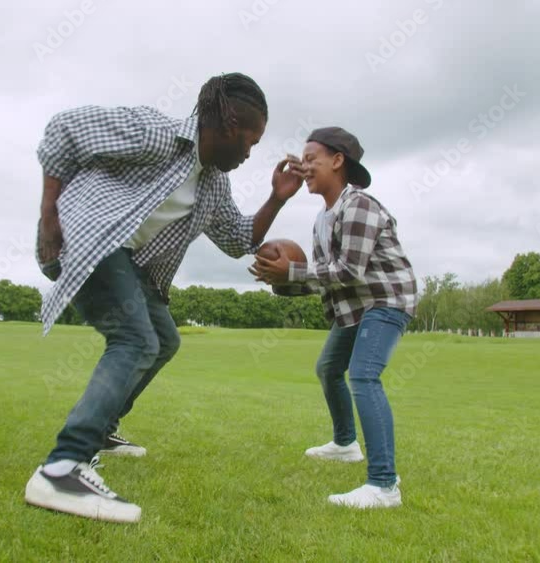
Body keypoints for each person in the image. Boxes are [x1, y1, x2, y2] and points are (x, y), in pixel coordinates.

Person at [25, 73, 306, 523]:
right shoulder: (157, 134)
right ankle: (63, 466)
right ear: (230, 124)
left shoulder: (212, 184)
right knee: (136, 341)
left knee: (163, 339)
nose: (251, 152)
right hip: (88, 235)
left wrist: (276, 198)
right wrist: (48, 217)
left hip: (128, 261)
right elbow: (63, 130)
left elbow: (238, 239)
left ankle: (101, 430)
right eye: (252, 140)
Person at [252, 127, 418, 510]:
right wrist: (278, 281)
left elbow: (349, 272)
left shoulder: (358, 205)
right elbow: (324, 281)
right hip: (354, 308)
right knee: (329, 369)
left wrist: (291, 274)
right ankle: (345, 444)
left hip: (385, 301)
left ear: (338, 161)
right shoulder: (321, 219)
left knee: (363, 375)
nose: (304, 167)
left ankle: (384, 485)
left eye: (311, 159)